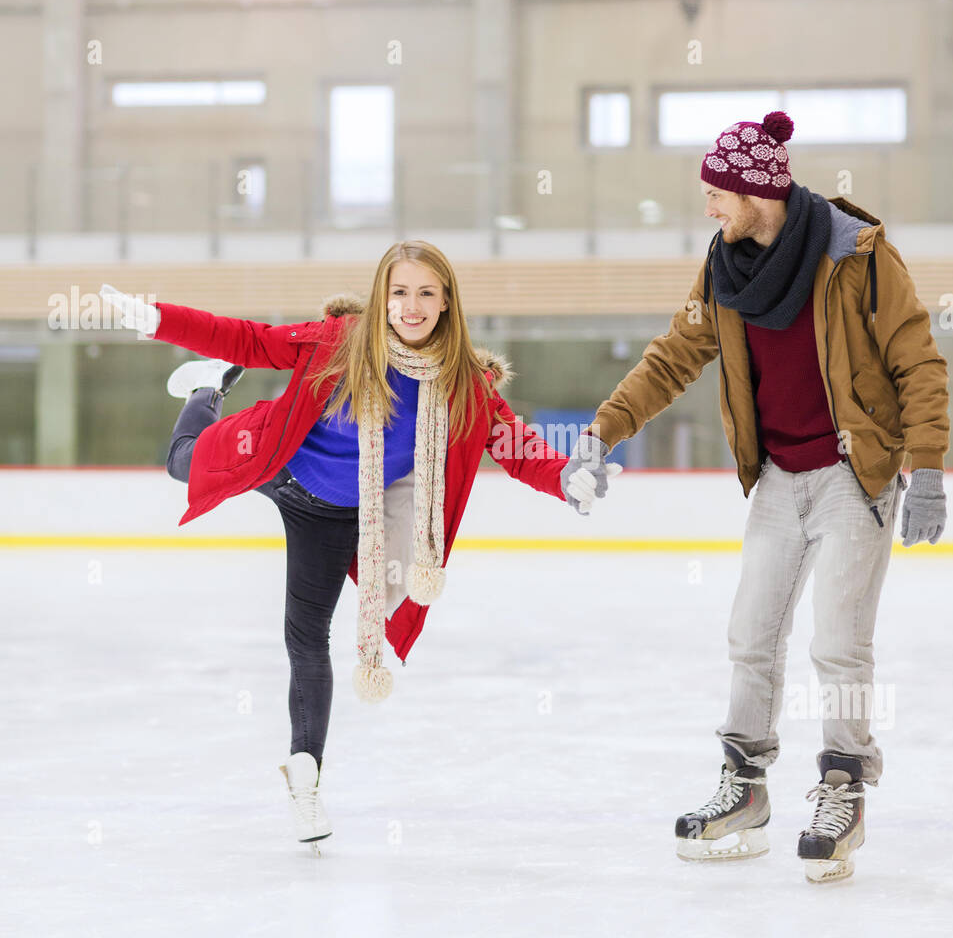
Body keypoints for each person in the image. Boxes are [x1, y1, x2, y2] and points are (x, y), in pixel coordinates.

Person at [100, 241, 616, 850]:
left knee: (306, 635)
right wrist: (159, 319)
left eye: (426, 292)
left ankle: (305, 775)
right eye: (399, 292)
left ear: (447, 301)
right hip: (275, 459)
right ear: (382, 297)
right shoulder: (338, 342)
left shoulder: (461, 387)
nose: (412, 305)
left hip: (337, 514)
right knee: (182, 464)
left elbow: (513, 445)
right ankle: (204, 394)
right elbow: (249, 340)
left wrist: (563, 477)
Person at [561, 111, 949, 883]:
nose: (708, 209)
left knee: (839, 644)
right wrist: (603, 431)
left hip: (851, 475)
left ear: (756, 191)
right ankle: (745, 789)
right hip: (777, 476)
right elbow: (673, 357)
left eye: (716, 193)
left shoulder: (857, 256)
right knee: (751, 635)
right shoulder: (725, 269)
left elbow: (918, 361)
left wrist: (928, 467)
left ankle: (843, 790)